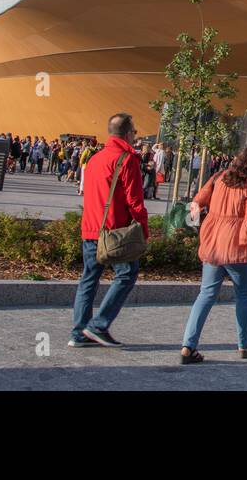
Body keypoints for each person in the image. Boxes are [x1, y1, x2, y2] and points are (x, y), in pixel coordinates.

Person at [180, 143, 247, 363]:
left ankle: (188, 346)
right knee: (244, 294)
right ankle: (245, 344)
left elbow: (197, 201)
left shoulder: (220, 176)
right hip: (238, 246)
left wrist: (191, 220)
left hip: (213, 242)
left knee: (206, 294)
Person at [70, 113, 149, 348]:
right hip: (115, 233)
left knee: (88, 279)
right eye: (134, 132)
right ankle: (98, 325)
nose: (135, 136)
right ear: (127, 133)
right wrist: (143, 230)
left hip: (91, 229)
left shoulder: (95, 158)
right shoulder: (127, 159)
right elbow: (135, 202)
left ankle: (79, 333)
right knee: (126, 273)